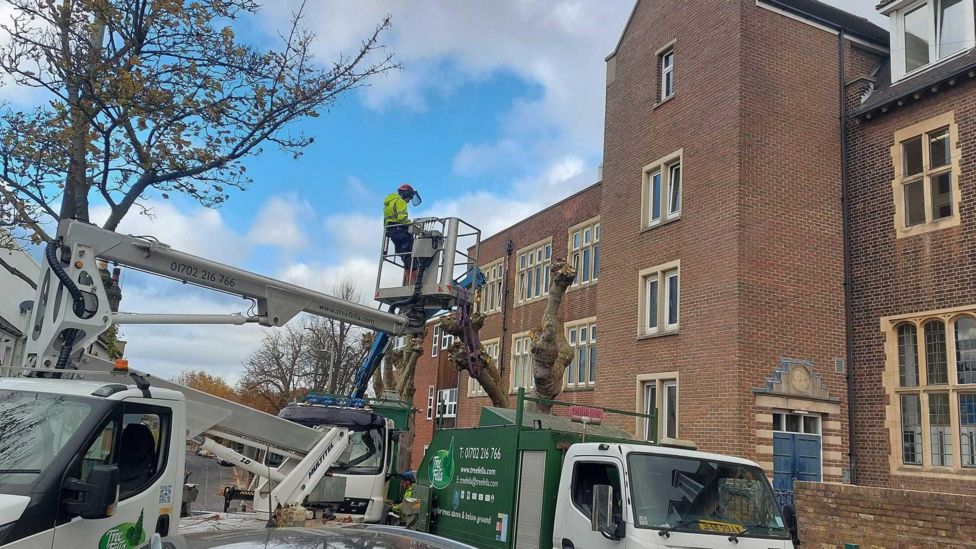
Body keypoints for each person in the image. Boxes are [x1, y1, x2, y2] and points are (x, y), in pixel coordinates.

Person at [384, 184, 422, 283]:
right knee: (411, 257)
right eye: (409, 197)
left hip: (393, 232)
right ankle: (416, 283)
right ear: (406, 194)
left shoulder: (390, 202)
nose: (409, 200)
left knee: (405, 258)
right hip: (401, 231)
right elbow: (402, 218)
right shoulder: (400, 201)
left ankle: (409, 282)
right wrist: (413, 225)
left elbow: (386, 221)